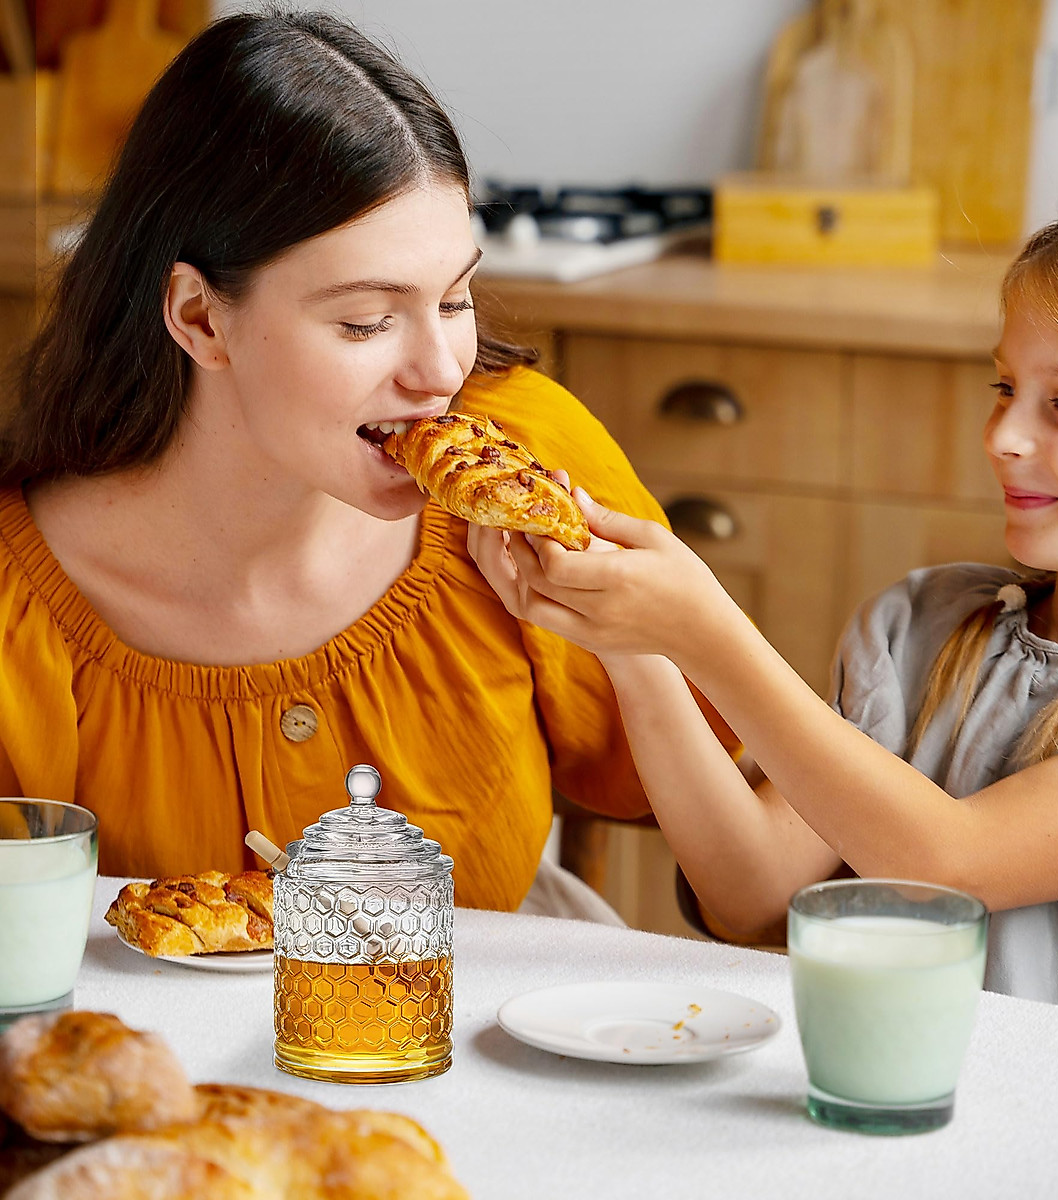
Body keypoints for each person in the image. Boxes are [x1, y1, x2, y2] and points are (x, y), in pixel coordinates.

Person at [0, 9, 734, 911]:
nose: (440, 373)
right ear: (198, 318)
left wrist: (642, 646)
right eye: (366, 322)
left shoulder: (523, 465)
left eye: (455, 301)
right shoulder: (16, 616)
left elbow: (750, 849)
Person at [470, 188, 1058, 1030]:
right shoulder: (922, 627)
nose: (1002, 435)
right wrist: (634, 646)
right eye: (1004, 386)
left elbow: (949, 863)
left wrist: (706, 632)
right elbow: (751, 896)